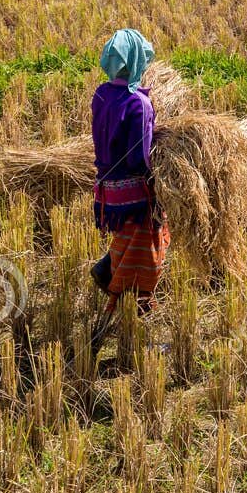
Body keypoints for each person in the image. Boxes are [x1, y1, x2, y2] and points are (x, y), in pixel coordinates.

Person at [89, 29, 170, 349]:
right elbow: (139, 157)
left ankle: (108, 267)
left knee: (128, 247)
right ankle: (135, 336)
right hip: (136, 195)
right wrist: (161, 176)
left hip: (107, 190)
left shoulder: (100, 94)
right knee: (146, 258)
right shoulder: (140, 103)